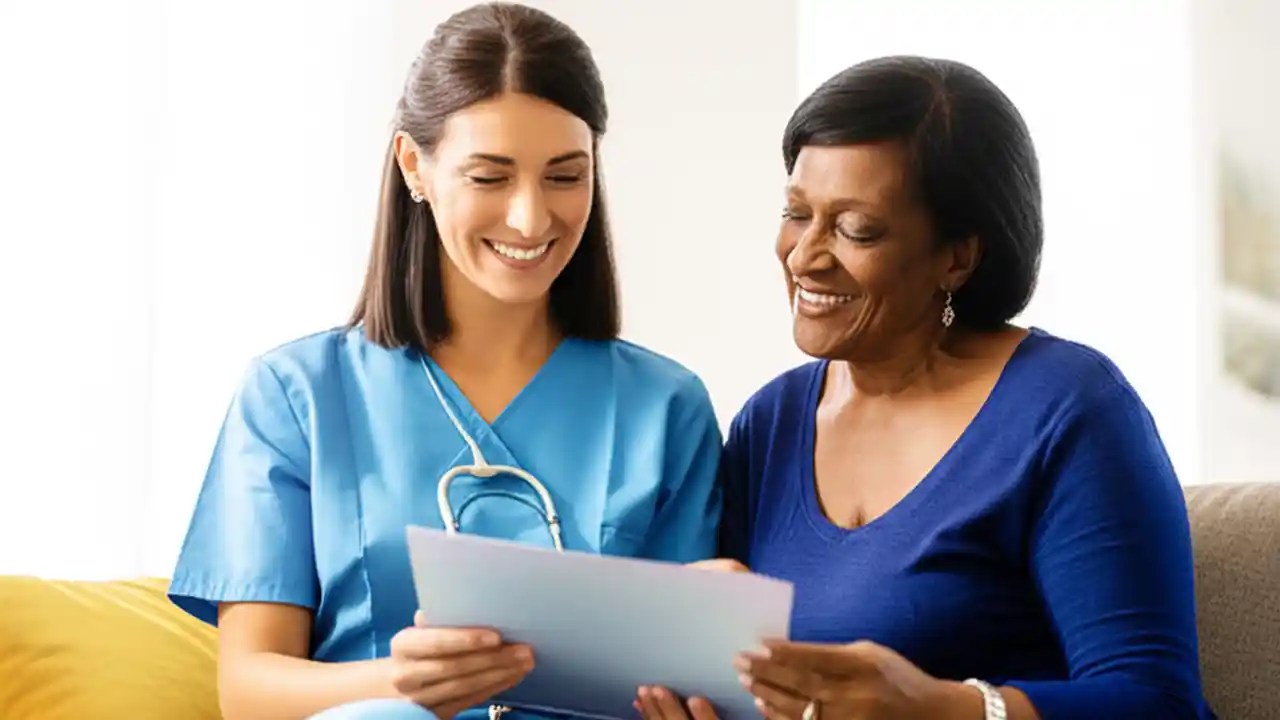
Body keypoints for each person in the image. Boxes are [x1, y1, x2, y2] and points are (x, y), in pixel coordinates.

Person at [167, 4, 723, 719]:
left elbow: (681, 679)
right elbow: (248, 694)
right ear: (414, 167)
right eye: (490, 177)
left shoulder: (667, 408)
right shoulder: (296, 397)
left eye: (565, 176)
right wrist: (401, 687)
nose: (530, 218)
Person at [635, 56, 1216, 720]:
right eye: (797, 214)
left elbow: (1158, 702)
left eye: (856, 230)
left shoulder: (1070, 409)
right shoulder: (769, 423)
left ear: (957, 256)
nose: (803, 257)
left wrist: (944, 708)